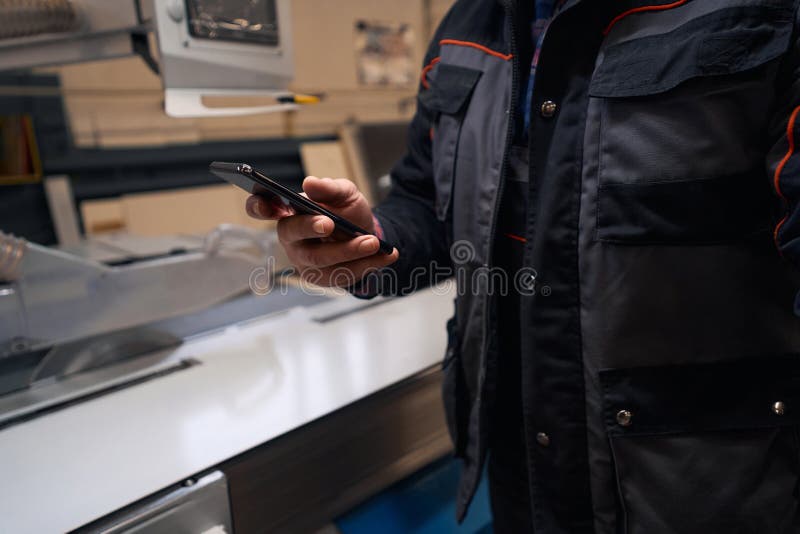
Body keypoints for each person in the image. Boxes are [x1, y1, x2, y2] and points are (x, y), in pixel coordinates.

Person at [246, 0, 800, 532]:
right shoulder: (465, 28)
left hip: (699, 482)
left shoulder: (760, 11)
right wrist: (366, 241)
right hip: (524, 471)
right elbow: (426, 203)